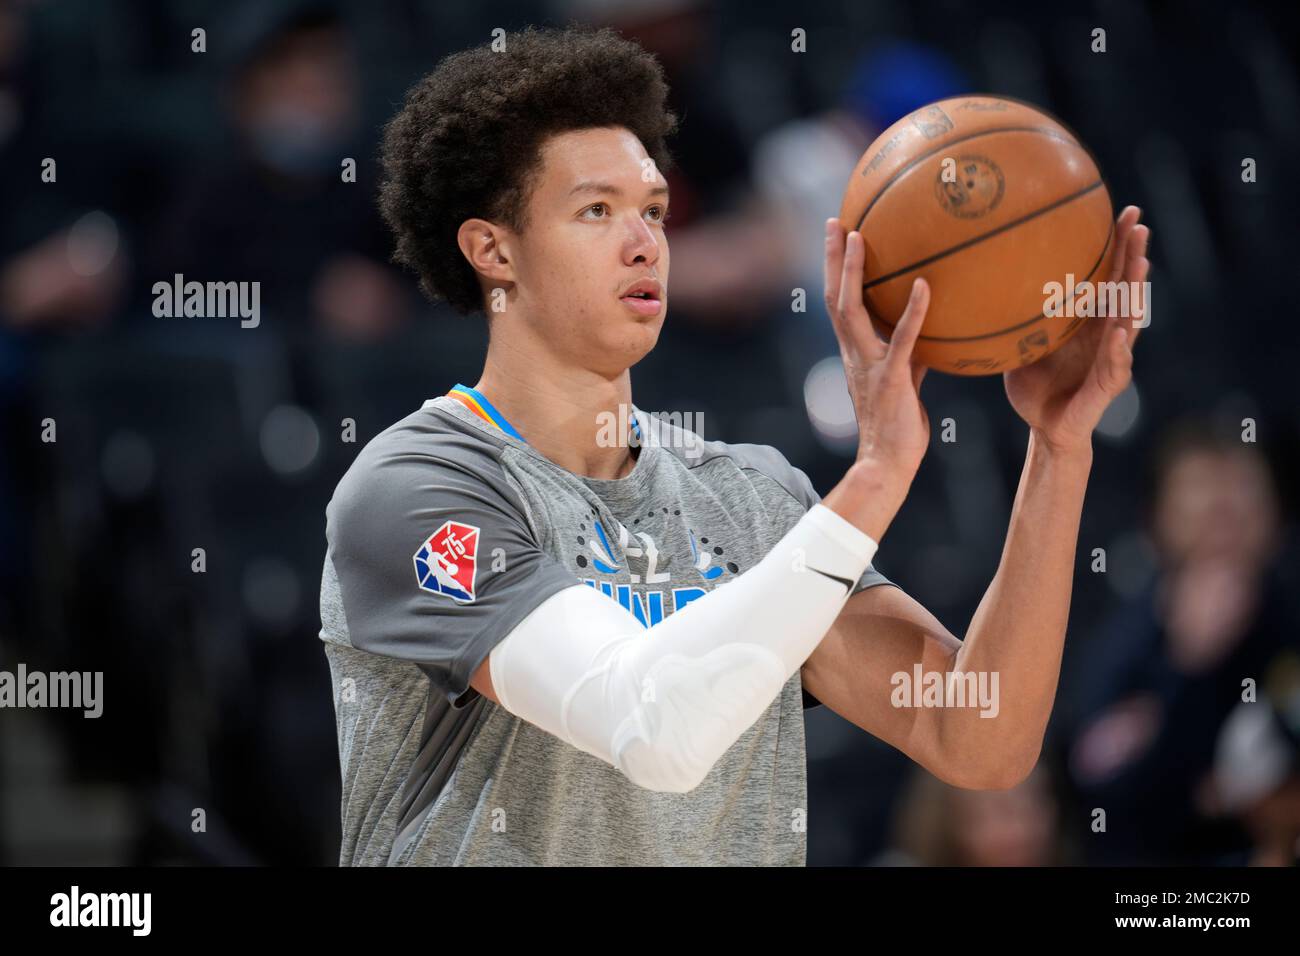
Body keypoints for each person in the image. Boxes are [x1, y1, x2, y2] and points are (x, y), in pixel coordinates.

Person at [318, 25, 1150, 866]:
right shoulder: (416, 487)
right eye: (595, 211)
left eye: (652, 209)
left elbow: (978, 737)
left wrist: (1058, 447)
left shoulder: (749, 494)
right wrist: (876, 475)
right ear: (492, 250)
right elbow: (650, 729)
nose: (644, 240)